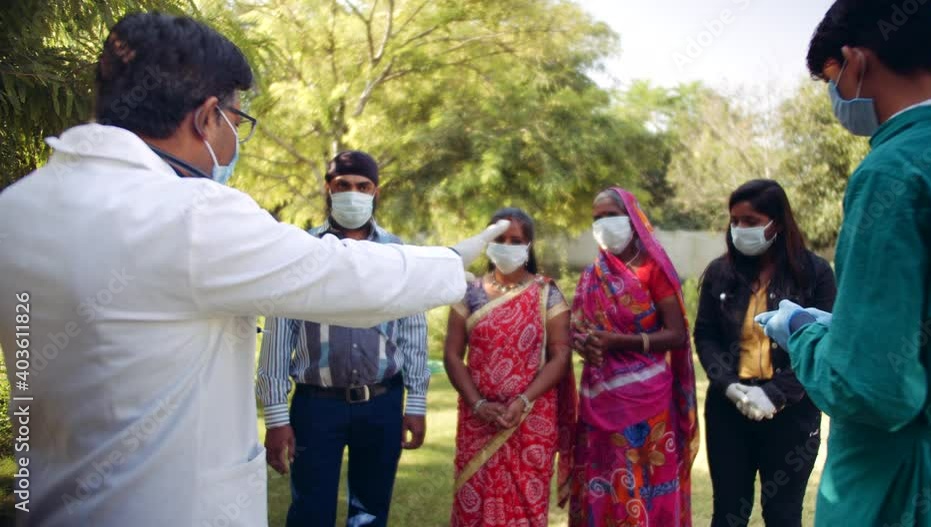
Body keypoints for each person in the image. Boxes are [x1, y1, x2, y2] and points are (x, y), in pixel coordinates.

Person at [0, 13, 506, 526]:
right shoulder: (192, 213)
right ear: (207, 117)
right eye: (236, 123)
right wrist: (454, 259)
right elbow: (342, 277)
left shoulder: (17, 209)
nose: (234, 141)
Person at [757, 1, 931, 525]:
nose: (835, 95)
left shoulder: (893, 173)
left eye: (831, 77)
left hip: (902, 489)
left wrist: (801, 332)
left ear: (855, 61)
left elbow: (870, 388)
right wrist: (849, 329)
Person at [256, 150, 430, 527]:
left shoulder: (398, 253)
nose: (353, 193)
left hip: (382, 403)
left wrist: (415, 402)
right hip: (316, 407)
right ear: (328, 189)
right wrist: (275, 415)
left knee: (370, 514)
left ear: (375, 192)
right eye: (343, 186)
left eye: (362, 186)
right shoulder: (301, 251)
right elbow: (278, 332)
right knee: (309, 513)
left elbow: (413, 330)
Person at [694, 180, 835, 527]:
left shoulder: (814, 274)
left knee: (783, 513)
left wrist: (775, 394)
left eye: (751, 221)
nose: (740, 229)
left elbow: (824, 340)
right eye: (735, 221)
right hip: (729, 409)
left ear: (778, 222)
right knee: (728, 511)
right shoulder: (720, 273)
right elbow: (706, 334)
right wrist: (729, 385)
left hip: (792, 414)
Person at [568, 187, 699, 527]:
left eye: (611, 215)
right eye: (596, 218)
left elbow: (677, 334)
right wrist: (585, 344)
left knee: (649, 484)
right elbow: (578, 328)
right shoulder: (592, 273)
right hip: (600, 400)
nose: (603, 223)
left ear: (633, 218)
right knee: (605, 482)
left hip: (648, 403)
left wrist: (619, 342)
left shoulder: (653, 270)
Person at [443, 208, 577, 527]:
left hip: (530, 421)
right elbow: (451, 354)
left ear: (528, 246)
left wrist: (523, 401)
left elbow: (560, 355)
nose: (507, 244)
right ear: (487, 242)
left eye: (515, 240)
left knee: (526, 511)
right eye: (499, 238)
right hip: (478, 420)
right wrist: (477, 403)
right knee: (471, 508)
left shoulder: (546, 293)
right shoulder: (469, 292)